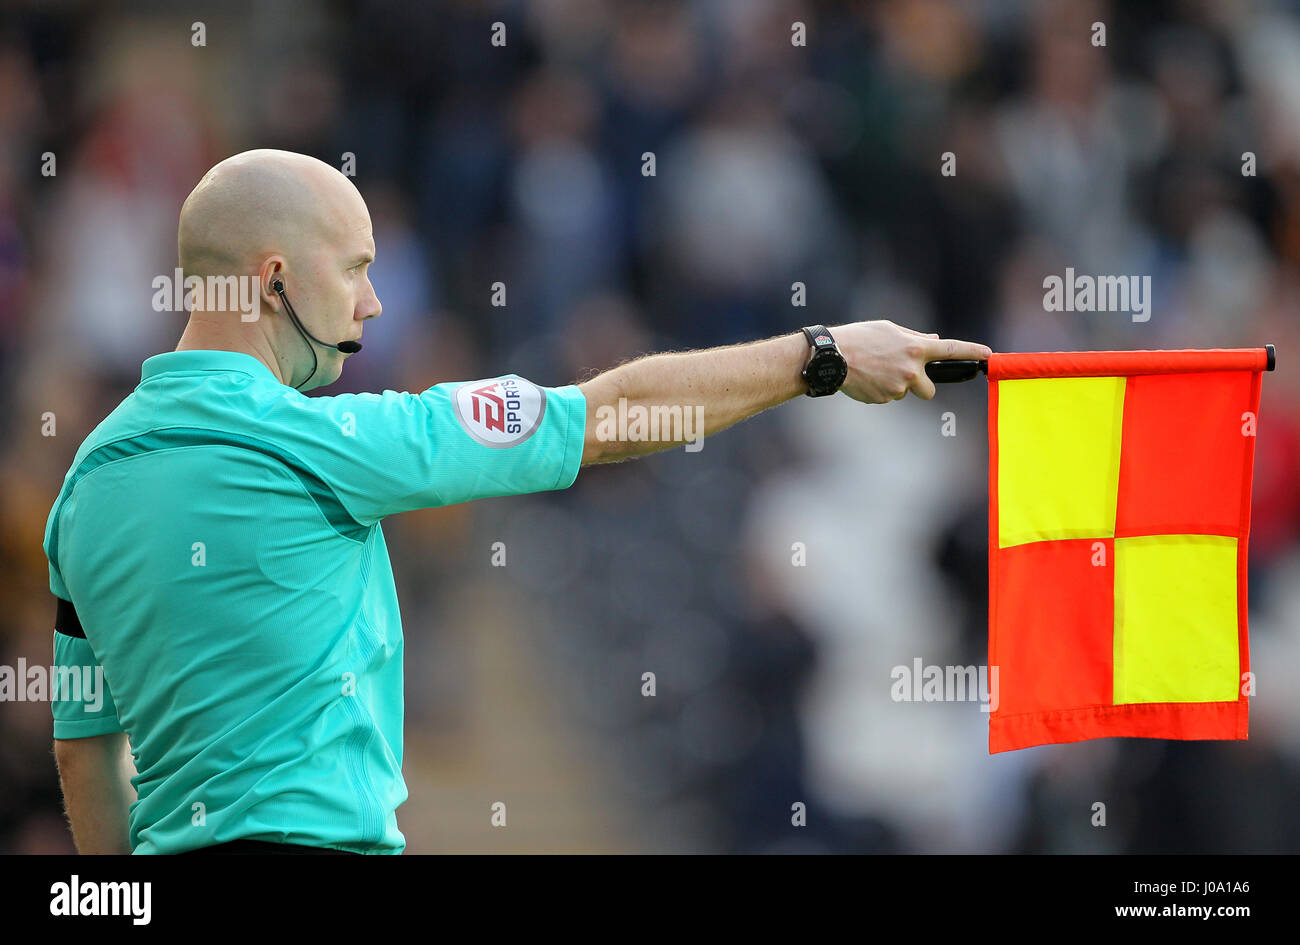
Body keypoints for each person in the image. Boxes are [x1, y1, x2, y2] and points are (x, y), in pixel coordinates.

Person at [45, 149, 991, 854]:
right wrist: (819, 357)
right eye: (357, 267)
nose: (373, 305)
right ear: (273, 278)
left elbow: (84, 751)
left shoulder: (81, 490)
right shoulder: (325, 443)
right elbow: (612, 416)